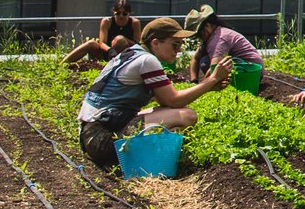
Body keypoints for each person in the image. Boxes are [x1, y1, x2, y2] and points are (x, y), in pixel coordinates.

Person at [77, 17, 224, 172]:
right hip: (103, 139)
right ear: (155, 43)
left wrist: (208, 86)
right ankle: (149, 160)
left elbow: (165, 102)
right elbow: (174, 101)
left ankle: (145, 155)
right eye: (175, 44)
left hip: (92, 134)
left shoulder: (133, 54)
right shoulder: (147, 61)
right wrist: (212, 80)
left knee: (169, 112)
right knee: (187, 115)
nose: (179, 50)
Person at [182, 4, 264, 88]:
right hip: (245, 69)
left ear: (207, 26)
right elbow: (195, 58)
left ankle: (230, 86)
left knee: (206, 62)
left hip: (250, 72)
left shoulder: (218, 39)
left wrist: (200, 88)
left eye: (200, 34)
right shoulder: (212, 36)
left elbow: (215, 68)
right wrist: (194, 81)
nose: (199, 38)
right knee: (204, 60)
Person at [64, 0, 140, 72]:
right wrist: (110, 50)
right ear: (114, 12)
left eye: (124, 14)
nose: (121, 16)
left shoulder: (134, 23)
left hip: (125, 55)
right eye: (118, 13)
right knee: (91, 43)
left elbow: (137, 44)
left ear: (129, 13)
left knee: (119, 39)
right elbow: (102, 42)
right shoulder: (107, 21)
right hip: (107, 54)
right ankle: (62, 64)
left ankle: (115, 65)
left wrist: (123, 40)